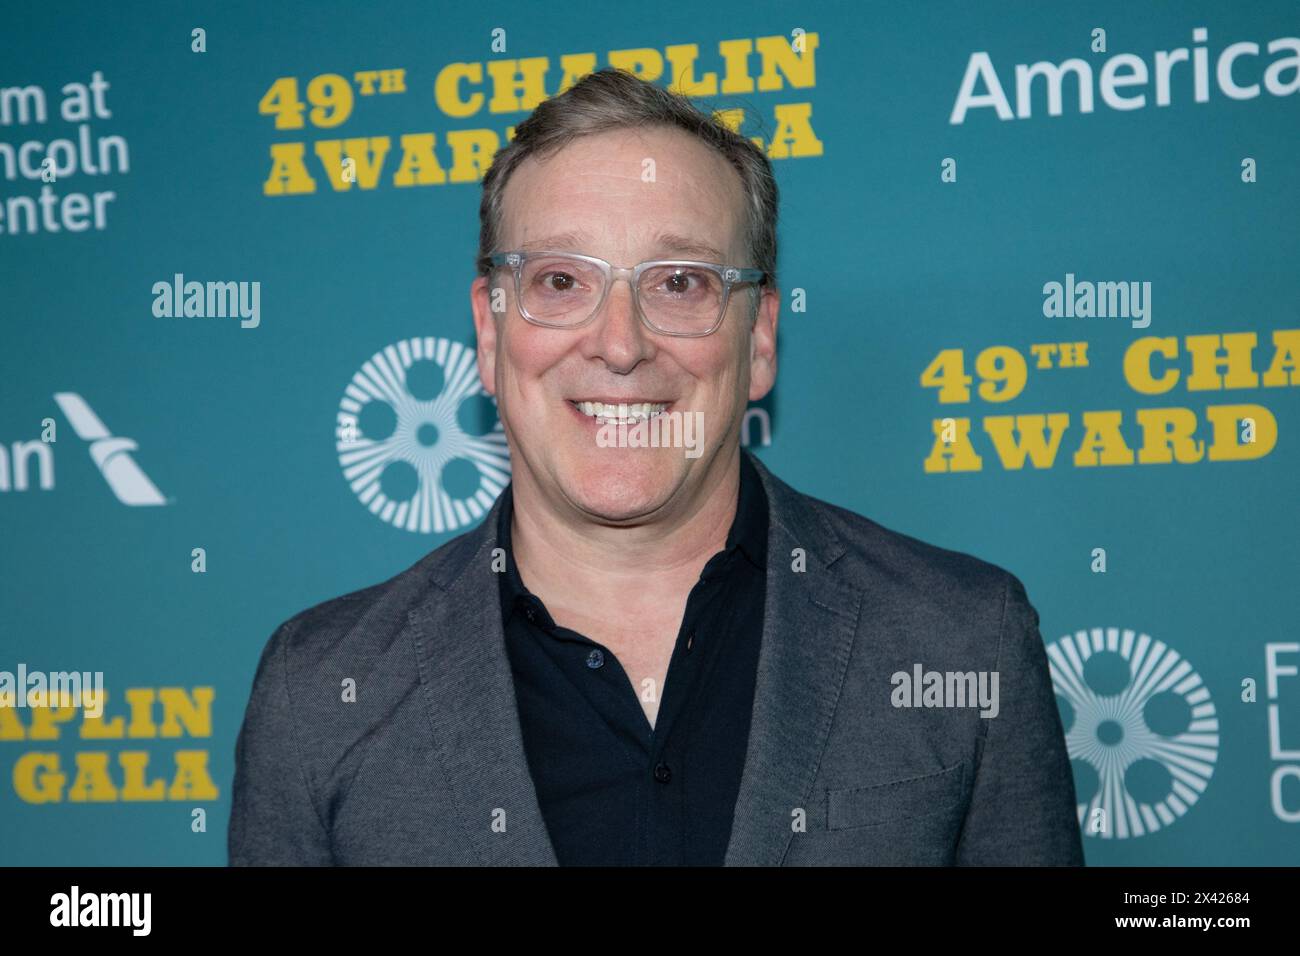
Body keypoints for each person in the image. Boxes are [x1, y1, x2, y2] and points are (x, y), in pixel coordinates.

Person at [229, 68, 1083, 866]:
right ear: (490, 337)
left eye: (680, 283)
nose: (620, 343)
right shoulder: (321, 689)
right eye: (560, 280)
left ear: (758, 340)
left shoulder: (965, 636)